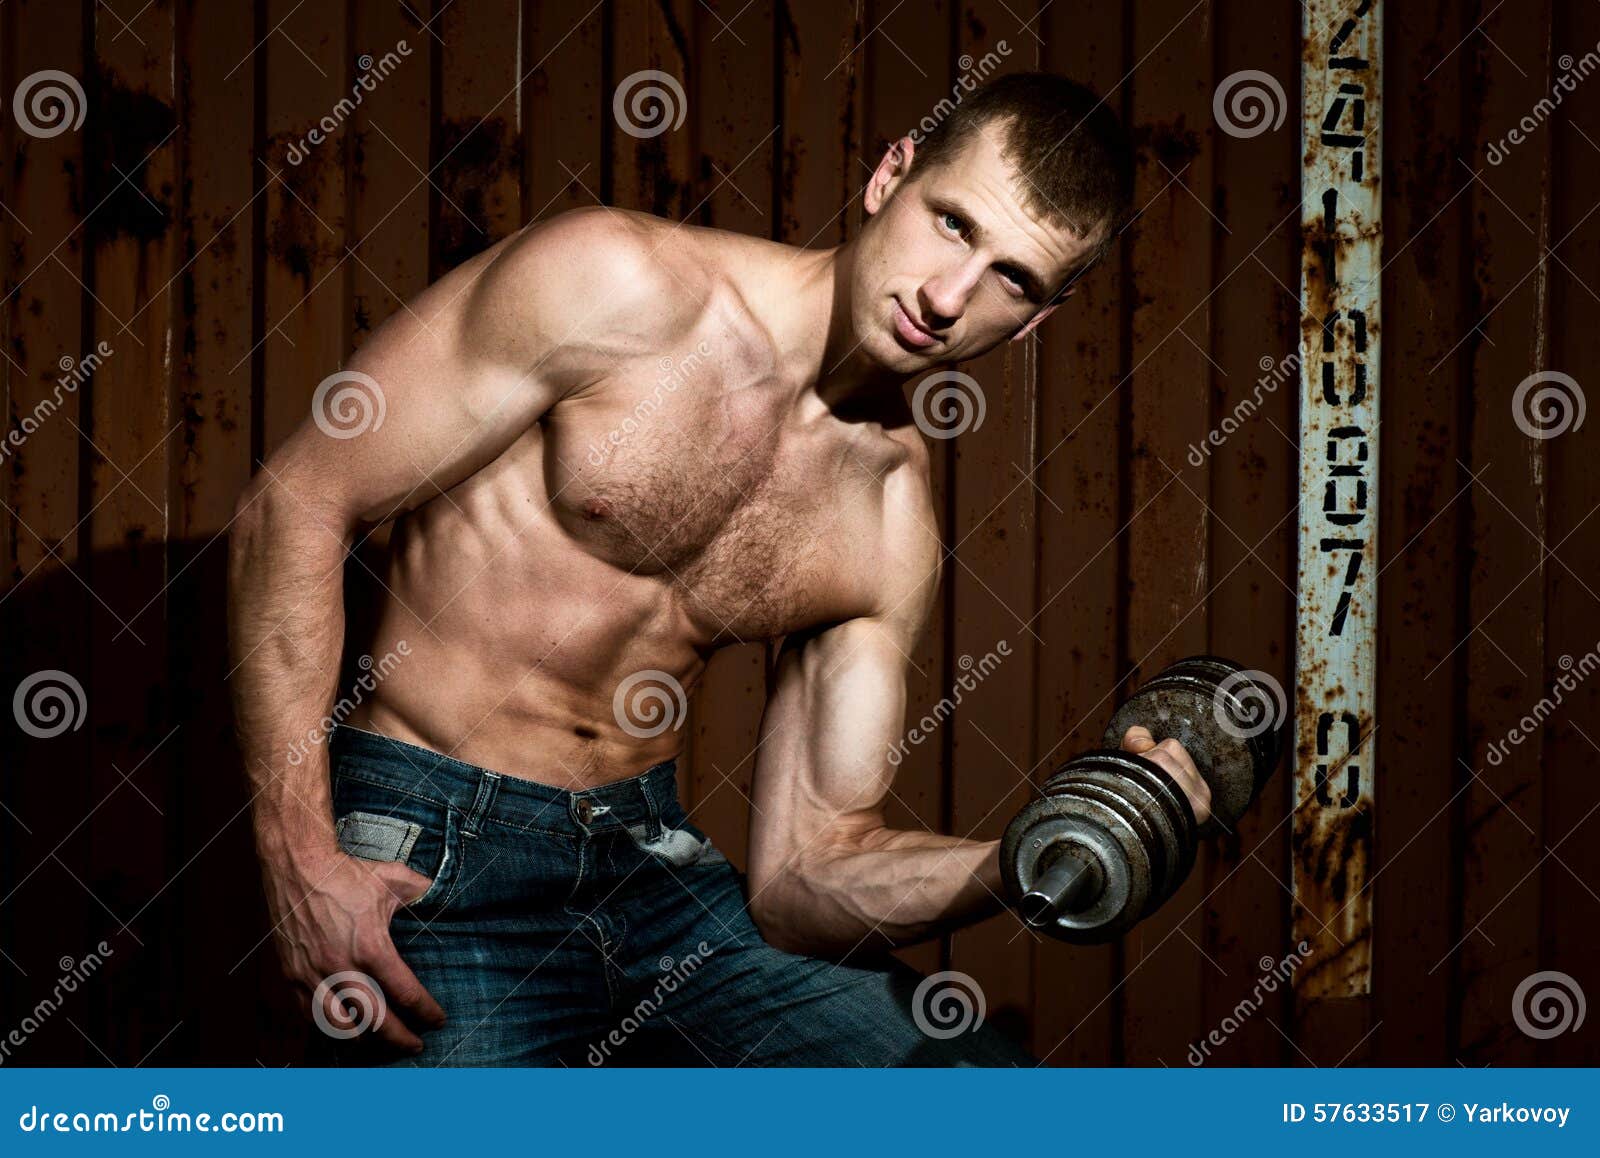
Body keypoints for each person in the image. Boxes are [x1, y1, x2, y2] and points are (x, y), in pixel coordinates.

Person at [228, 71, 1207, 1066]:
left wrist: (1035, 853)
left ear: (1040, 319)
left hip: (651, 870)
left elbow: (805, 876)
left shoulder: (888, 517)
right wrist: (298, 853)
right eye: (951, 223)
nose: (948, 297)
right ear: (889, 176)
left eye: (1014, 279)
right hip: (430, 845)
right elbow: (297, 502)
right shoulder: (619, 283)